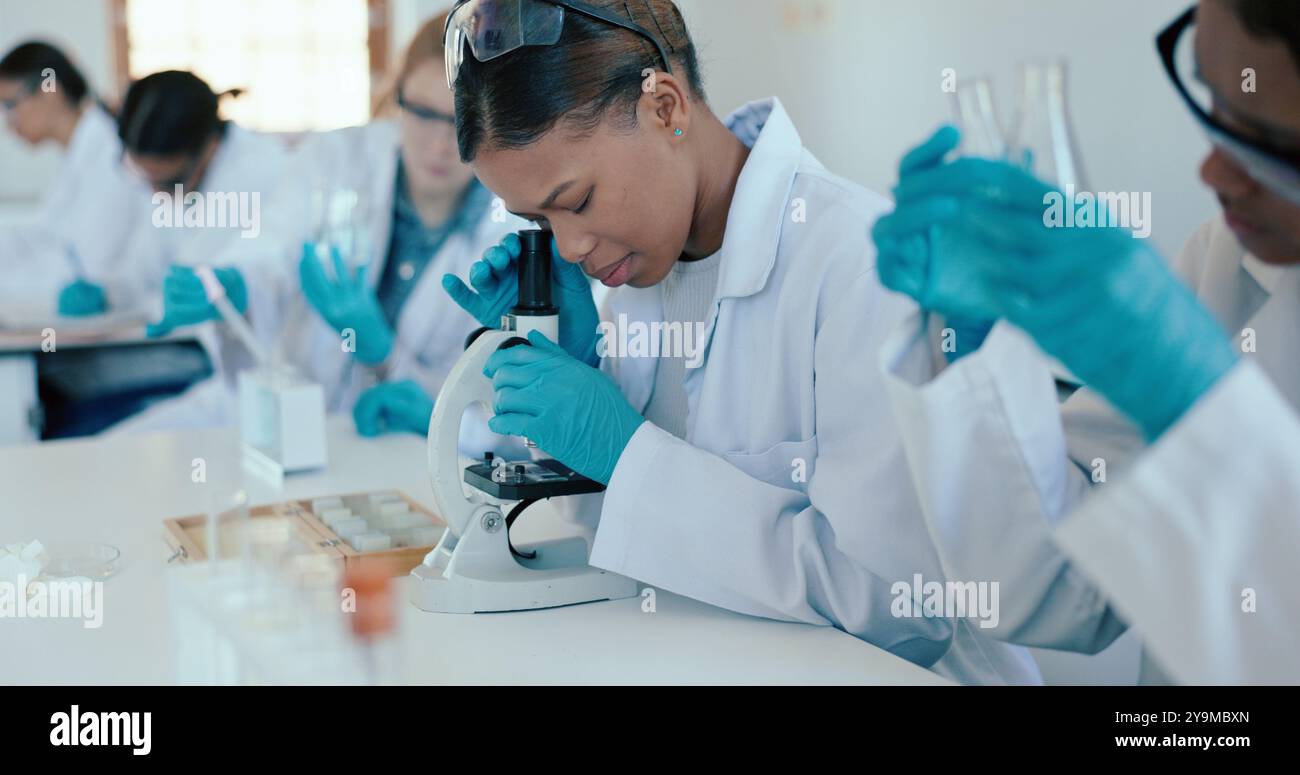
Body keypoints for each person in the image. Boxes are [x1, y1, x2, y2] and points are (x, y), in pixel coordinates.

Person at [441, 0, 1040, 685]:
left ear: (665, 107)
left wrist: (628, 452)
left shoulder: (857, 261)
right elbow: (636, 550)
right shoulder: (635, 275)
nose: (569, 246)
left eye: (576, 201)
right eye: (537, 218)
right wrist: (583, 371)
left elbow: (896, 608)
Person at [871, 0, 1300, 683]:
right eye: (1214, 109)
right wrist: (973, 346)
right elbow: (1060, 586)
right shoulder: (1223, 259)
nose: (1213, 173)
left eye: (1265, 140)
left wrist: (1202, 403)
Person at [111, 16, 523, 438]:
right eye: (422, 113)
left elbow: (500, 421)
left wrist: (387, 357)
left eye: (461, 119)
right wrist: (236, 285)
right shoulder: (338, 157)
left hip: (405, 449)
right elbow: (275, 247)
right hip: (280, 412)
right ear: (397, 97)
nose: (440, 143)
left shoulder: (513, 230)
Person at [0, 41, 143, 315]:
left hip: (120, 322)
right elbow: (40, 237)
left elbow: (89, 270)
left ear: (49, 91)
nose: (8, 122)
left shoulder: (111, 156)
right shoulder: (76, 154)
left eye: (10, 104)